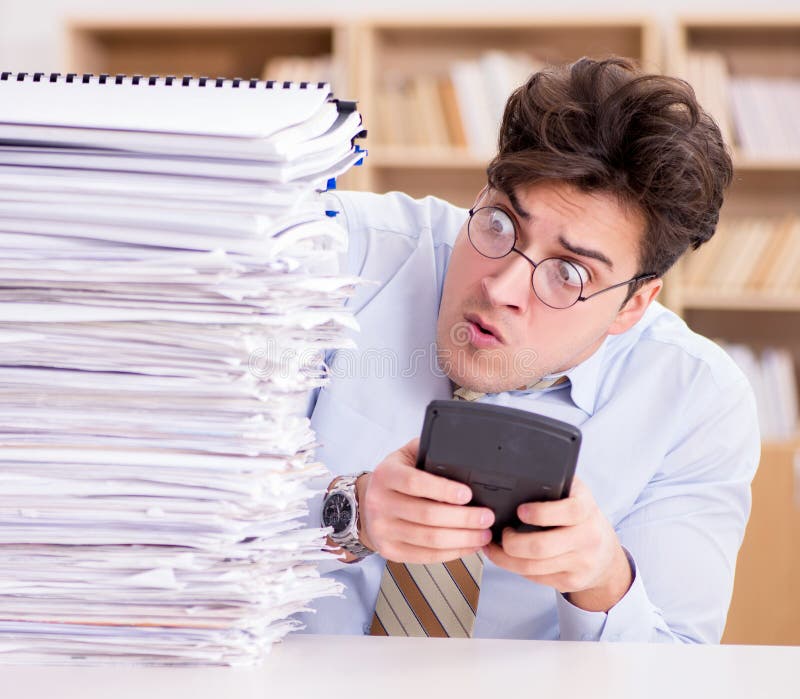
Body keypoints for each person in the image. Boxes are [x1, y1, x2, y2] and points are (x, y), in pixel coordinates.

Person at [296, 56, 760, 642]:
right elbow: (165, 504)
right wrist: (345, 512)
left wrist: (603, 579)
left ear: (633, 305)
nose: (501, 288)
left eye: (568, 273)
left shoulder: (697, 400)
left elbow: (676, 669)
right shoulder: (334, 257)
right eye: (499, 225)